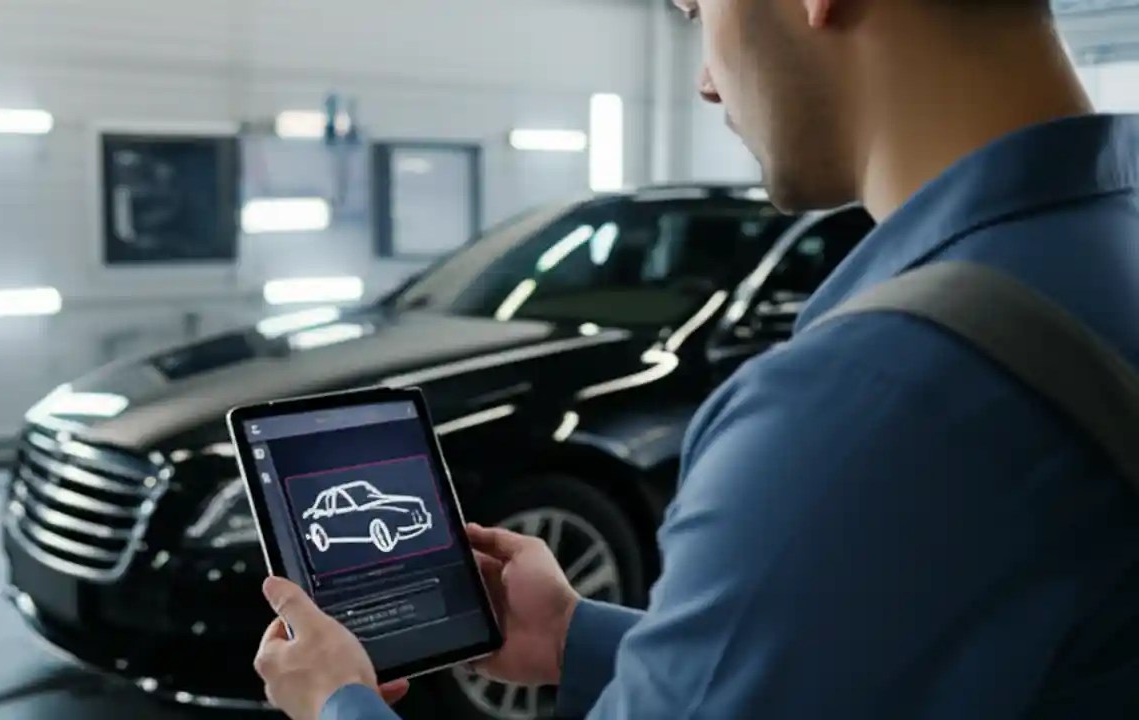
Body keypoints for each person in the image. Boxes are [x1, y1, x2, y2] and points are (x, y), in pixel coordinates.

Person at [254, 0, 1139, 717]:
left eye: (695, 12)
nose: (708, 81)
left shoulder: (870, 396)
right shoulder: (1103, 256)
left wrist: (341, 704)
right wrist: (574, 638)